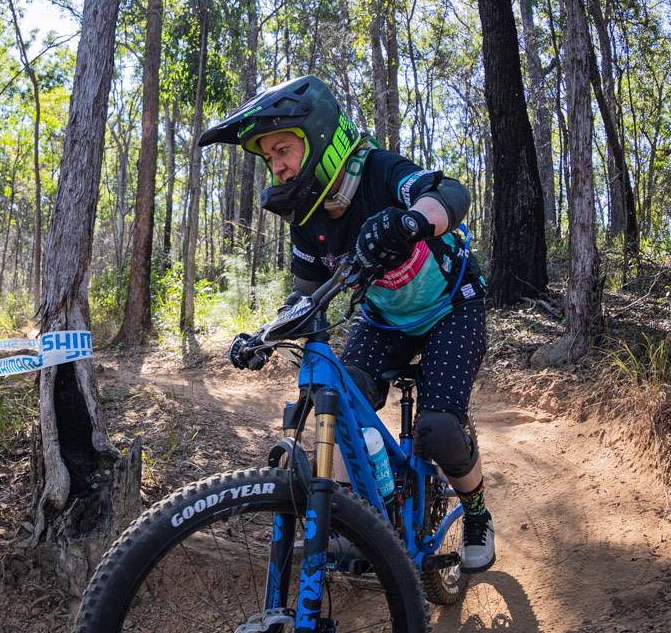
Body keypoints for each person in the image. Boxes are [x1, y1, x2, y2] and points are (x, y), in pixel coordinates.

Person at [197, 74, 496, 572]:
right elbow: (304, 296)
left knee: (439, 431)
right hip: (384, 321)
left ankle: (478, 513)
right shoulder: (307, 218)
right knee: (335, 401)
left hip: (452, 308)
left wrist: (412, 220)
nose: (277, 165)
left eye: (283, 149)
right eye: (269, 157)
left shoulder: (377, 170)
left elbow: (447, 193)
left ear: (319, 139)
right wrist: (265, 335)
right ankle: (357, 517)